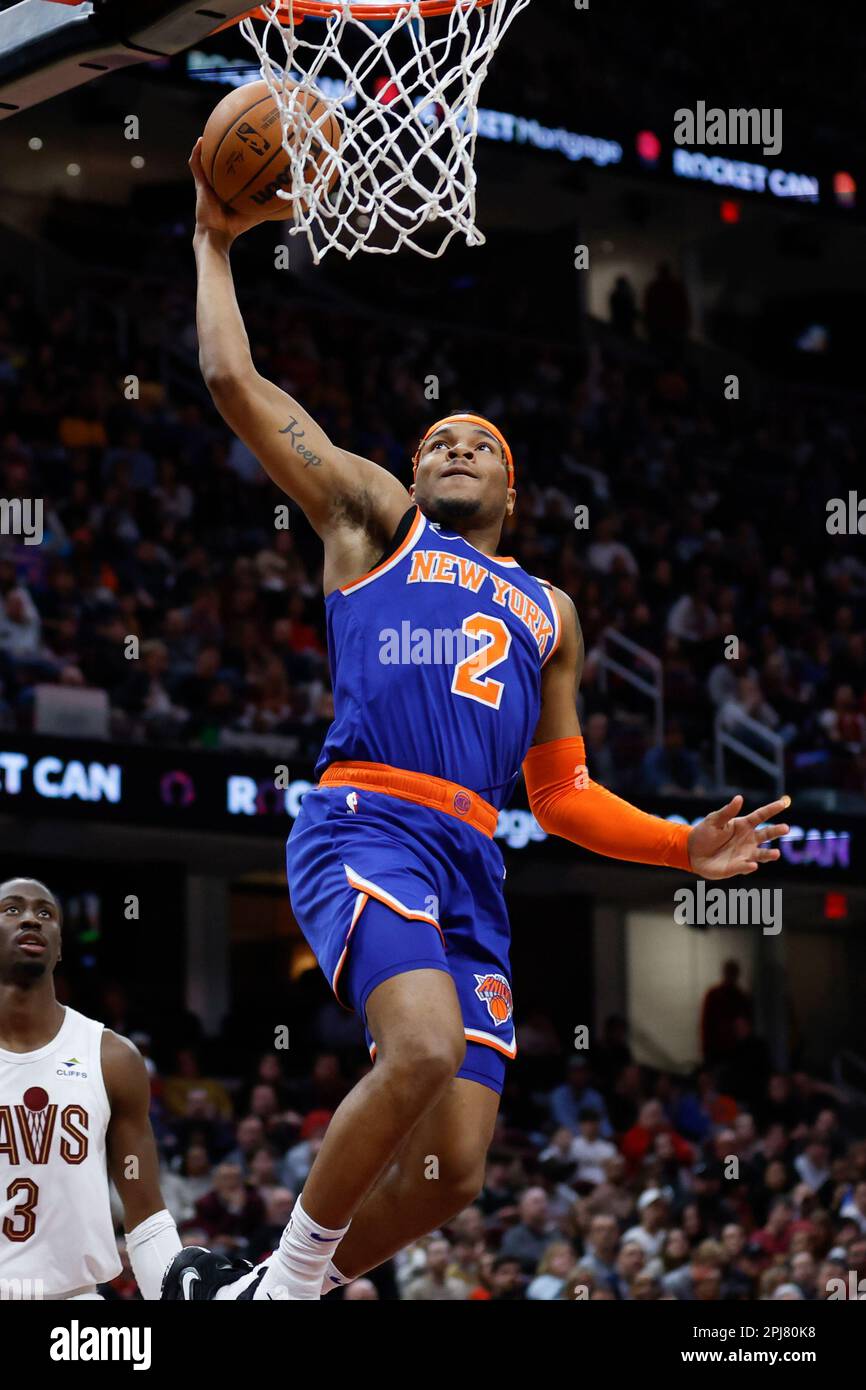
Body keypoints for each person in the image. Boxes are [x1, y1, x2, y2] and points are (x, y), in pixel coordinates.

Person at [163, 145, 793, 1303]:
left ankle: (258, 1287)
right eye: (436, 440)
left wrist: (675, 844)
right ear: (409, 470)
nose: (453, 447)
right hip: (365, 821)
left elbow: (557, 794)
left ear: (511, 488)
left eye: (478, 445)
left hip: (474, 861)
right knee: (420, 1049)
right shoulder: (373, 519)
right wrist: (212, 242)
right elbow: (233, 383)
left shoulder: (550, 608)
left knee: (452, 1172)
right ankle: (284, 1289)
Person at [0, 877, 182, 1300]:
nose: (31, 918)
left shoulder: (112, 1058)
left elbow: (147, 1216)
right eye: (13, 909)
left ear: (59, 947)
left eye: (45, 914)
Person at [701, 960, 752, 1067]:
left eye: (732, 973)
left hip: (732, 1049)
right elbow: (706, 1024)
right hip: (720, 1049)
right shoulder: (716, 995)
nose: (731, 976)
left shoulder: (740, 997)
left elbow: (706, 1024)